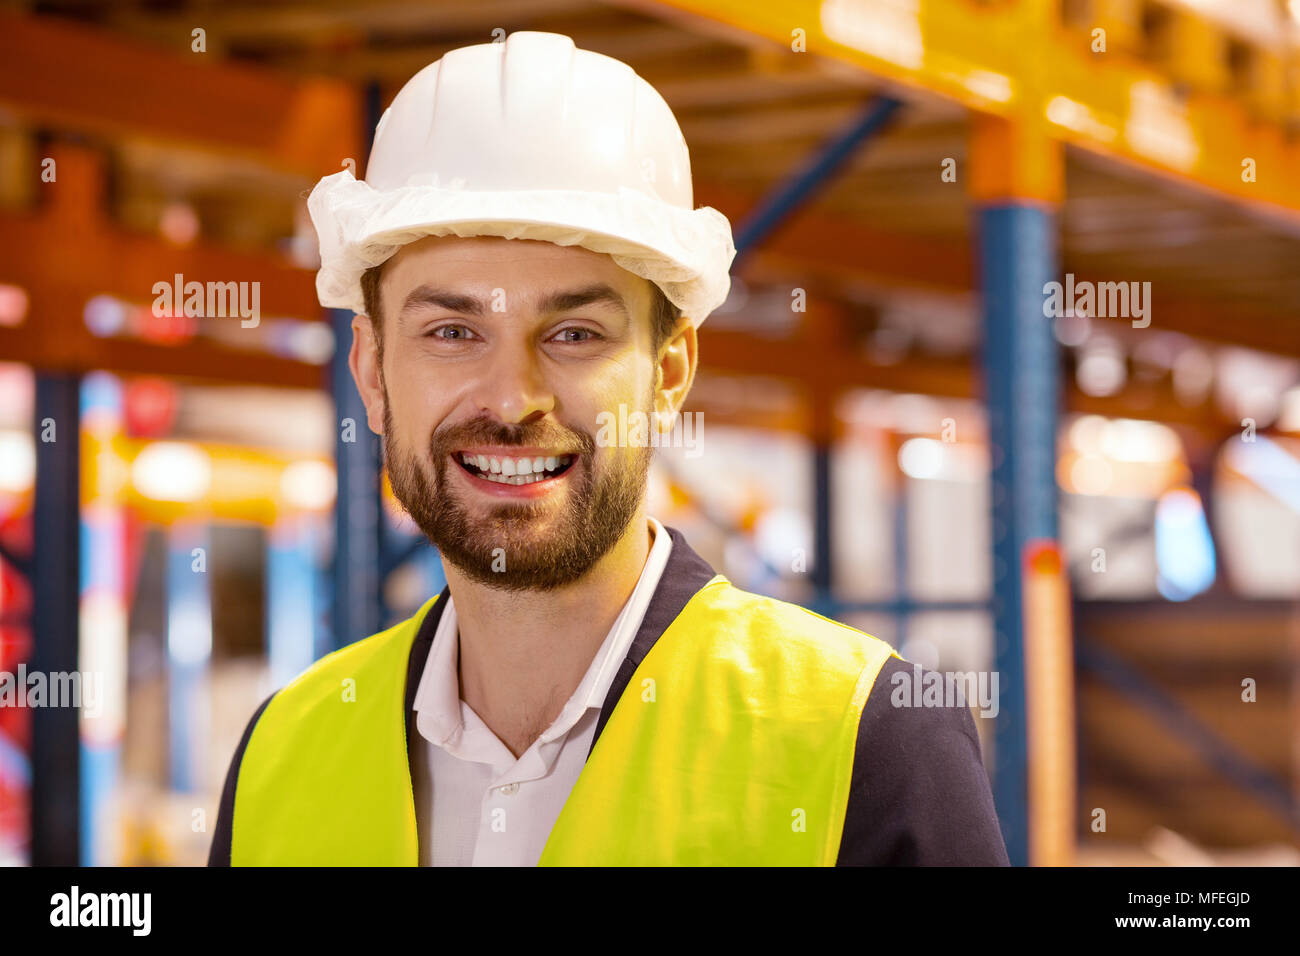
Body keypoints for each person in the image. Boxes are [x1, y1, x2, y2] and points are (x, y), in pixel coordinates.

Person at [209, 31, 1008, 866]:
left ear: (668, 374)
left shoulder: (868, 743)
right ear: (373, 374)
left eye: (575, 333)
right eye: (451, 331)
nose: (513, 397)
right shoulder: (282, 754)